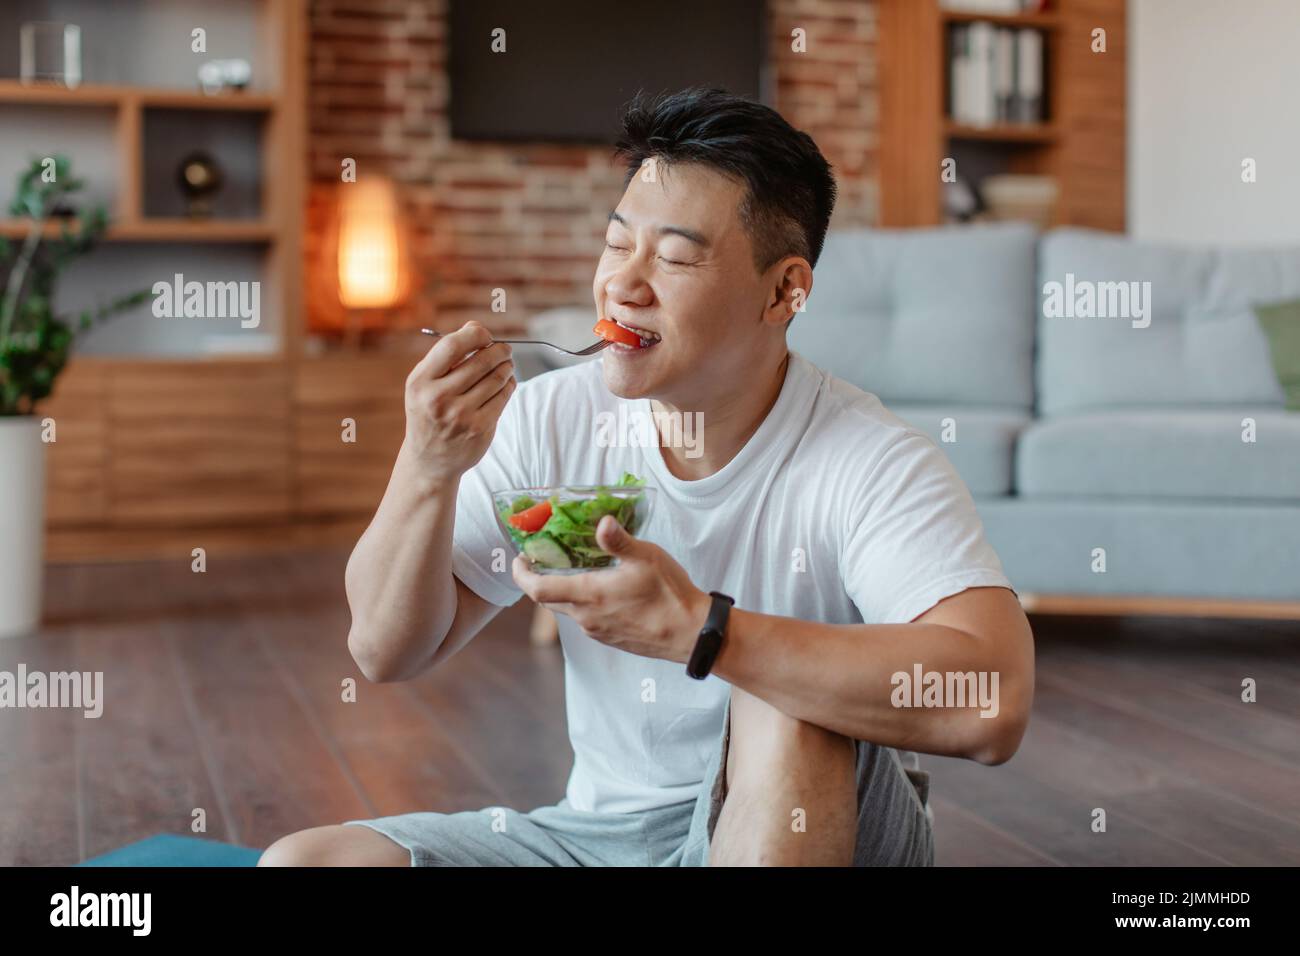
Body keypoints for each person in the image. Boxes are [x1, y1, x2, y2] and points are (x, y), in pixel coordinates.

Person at [261, 88, 1034, 867]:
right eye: (615, 244)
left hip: (817, 821)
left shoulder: (869, 459)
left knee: (776, 707)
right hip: (598, 840)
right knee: (308, 863)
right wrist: (427, 467)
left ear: (783, 290)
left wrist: (706, 632)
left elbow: (993, 704)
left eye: (671, 256)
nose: (622, 285)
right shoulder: (551, 419)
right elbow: (386, 650)